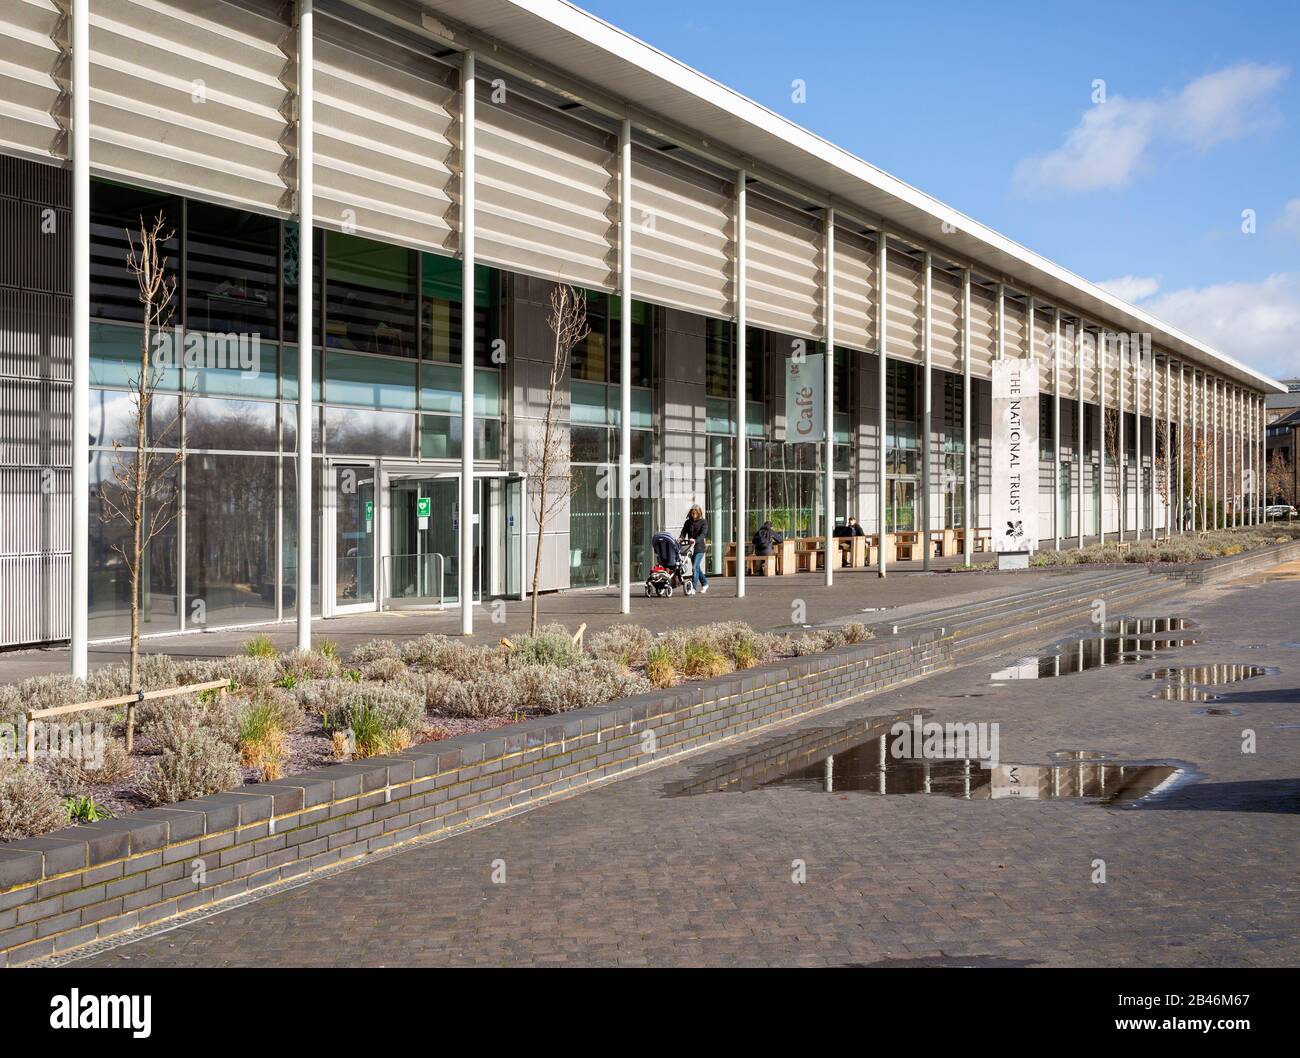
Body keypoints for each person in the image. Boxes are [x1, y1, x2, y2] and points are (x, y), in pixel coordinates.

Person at [680, 505, 708, 595]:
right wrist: (681, 538)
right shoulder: (688, 522)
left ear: (699, 513)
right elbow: (683, 532)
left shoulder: (703, 522)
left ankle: (694, 588)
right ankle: (705, 584)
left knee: (694, 567)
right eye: (692, 513)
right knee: (697, 568)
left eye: (695, 513)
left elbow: (703, 534)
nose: (694, 515)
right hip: (690, 548)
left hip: (699, 548)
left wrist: (695, 540)